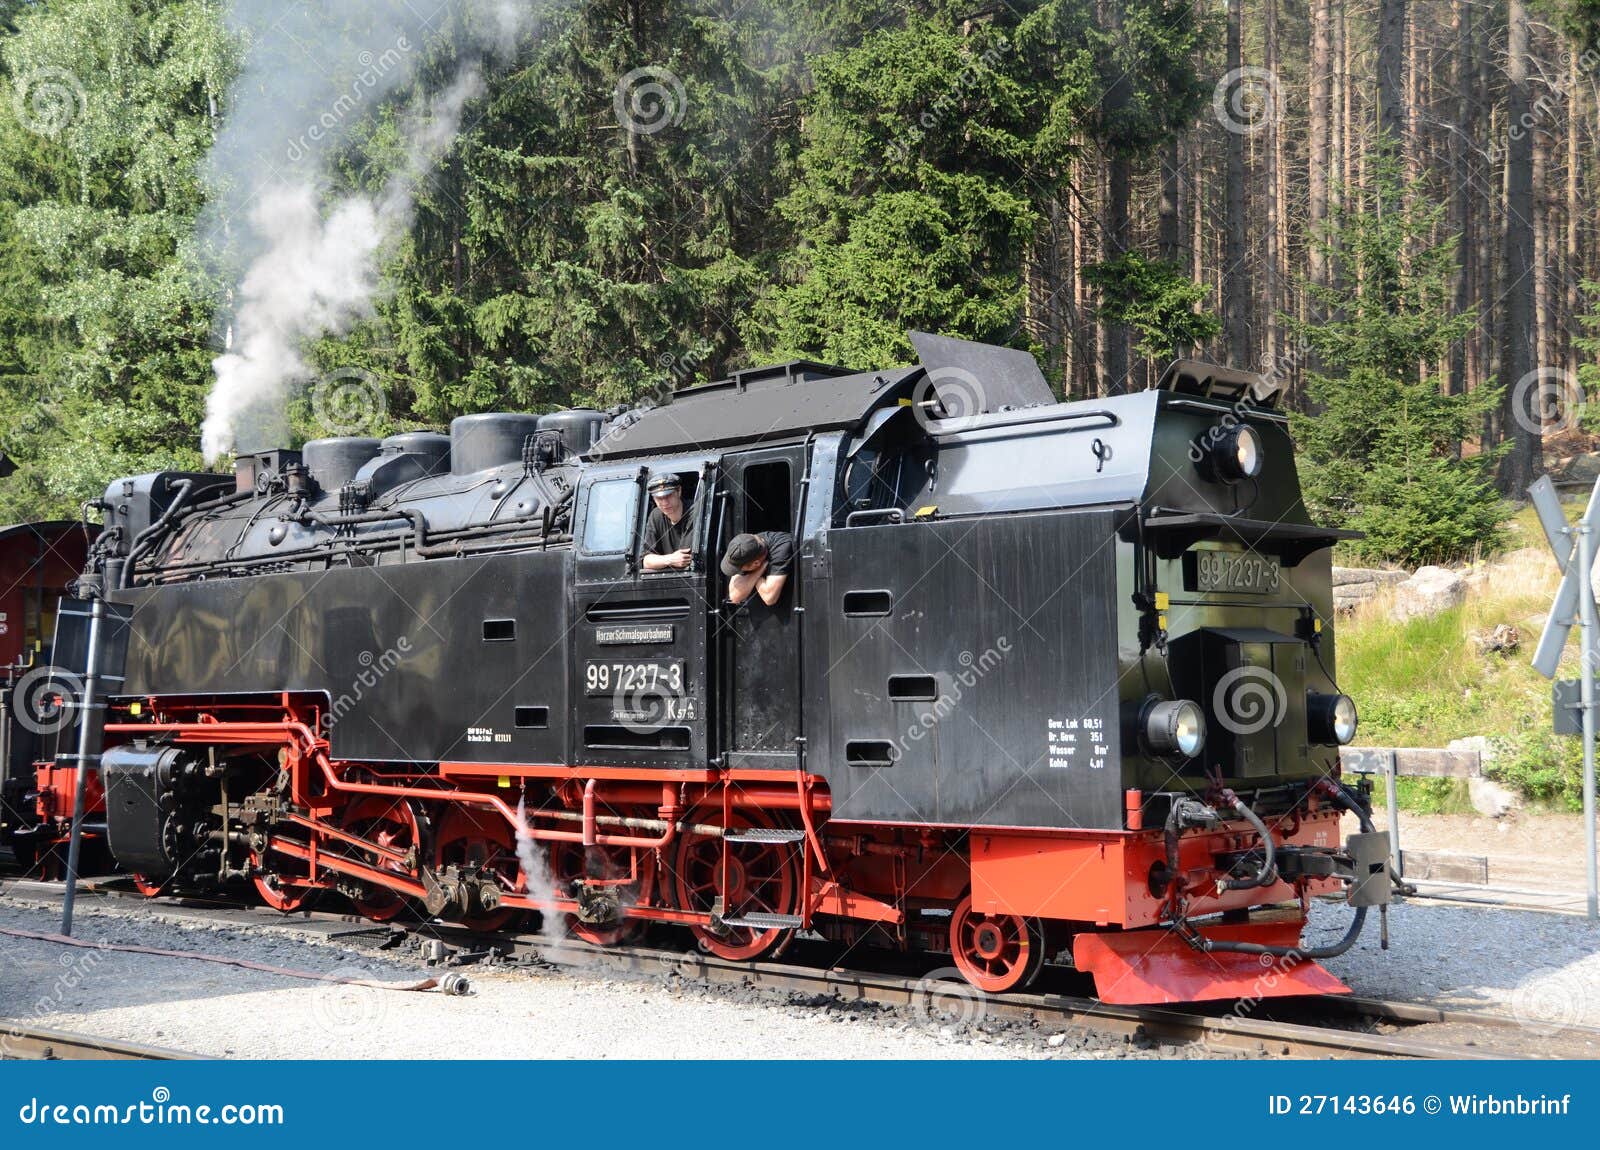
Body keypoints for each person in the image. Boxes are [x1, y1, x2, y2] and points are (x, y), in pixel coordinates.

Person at [721, 531, 794, 605]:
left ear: (756, 563)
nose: (738, 571)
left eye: (739, 569)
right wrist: (759, 570)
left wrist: (751, 577)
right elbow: (735, 597)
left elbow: (769, 598)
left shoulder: (781, 547)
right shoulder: (745, 546)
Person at [641, 474, 696, 571]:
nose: (665, 503)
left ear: (679, 491)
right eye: (659, 498)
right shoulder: (656, 516)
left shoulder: (696, 512)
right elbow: (647, 561)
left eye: (669, 495)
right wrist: (670, 559)